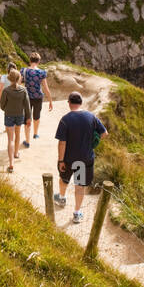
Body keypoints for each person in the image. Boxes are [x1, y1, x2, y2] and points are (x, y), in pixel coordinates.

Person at [54, 91, 108, 225]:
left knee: (64, 179)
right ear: (81, 103)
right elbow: (104, 133)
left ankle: (61, 198)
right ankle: (77, 213)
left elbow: (62, 142)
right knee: (79, 186)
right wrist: (93, 142)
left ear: (69, 103)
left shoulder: (65, 119)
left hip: (68, 159)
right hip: (84, 159)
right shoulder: (91, 116)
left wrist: (61, 160)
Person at [0, 69, 32, 173]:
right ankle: (16, 154)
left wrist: (8, 109)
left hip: (8, 116)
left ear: (9, 78)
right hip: (20, 116)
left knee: (10, 139)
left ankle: (11, 163)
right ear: (19, 78)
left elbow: (2, 106)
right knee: (18, 135)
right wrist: (28, 118)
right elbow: (27, 106)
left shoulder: (6, 91)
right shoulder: (23, 90)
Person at [20, 53, 53, 144]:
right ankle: (35, 134)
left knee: (27, 118)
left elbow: (18, 84)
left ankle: (27, 141)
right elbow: (46, 88)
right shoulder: (41, 72)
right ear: (38, 61)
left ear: (30, 61)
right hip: (38, 97)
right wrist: (50, 100)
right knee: (36, 116)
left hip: (27, 98)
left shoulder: (24, 71)